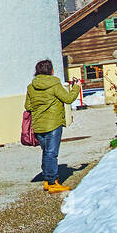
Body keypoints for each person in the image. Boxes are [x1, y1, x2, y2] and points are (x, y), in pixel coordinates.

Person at [24, 59, 80, 193]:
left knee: (46, 152)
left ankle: (47, 180)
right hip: (53, 123)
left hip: (38, 125)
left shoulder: (31, 87)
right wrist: (76, 87)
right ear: (51, 71)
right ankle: (52, 182)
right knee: (51, 153)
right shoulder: (55, 84)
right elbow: (68, 99)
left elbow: (28, 106)